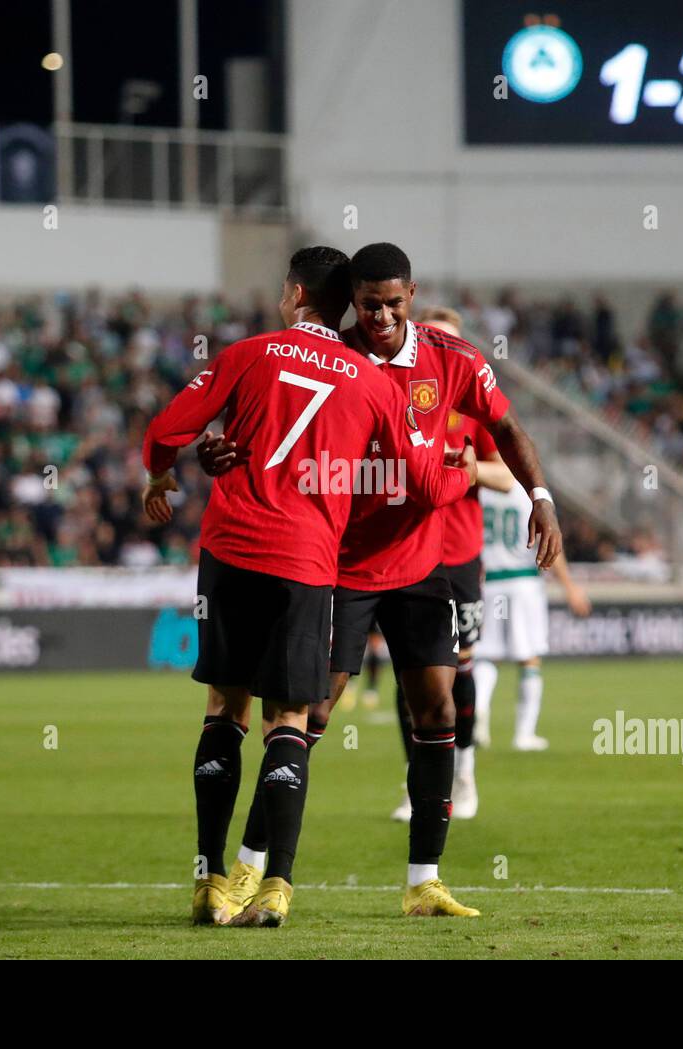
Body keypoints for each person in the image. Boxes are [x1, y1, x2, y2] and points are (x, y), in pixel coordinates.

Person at [207, 243, 562, 918]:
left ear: (411, 294)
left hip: (424, 566)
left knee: (439, 711)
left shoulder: (451, 360)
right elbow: (270, 440)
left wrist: (541, 498)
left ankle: (423, 880)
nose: (382, 316)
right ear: (353, 301)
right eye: (369, 304)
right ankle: (250, 868)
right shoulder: (327, 360)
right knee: (307, 717)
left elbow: (507, 427)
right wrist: (220, 454)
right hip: (340, 568)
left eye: (394, 303)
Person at [142, 246, 475, 927]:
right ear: (345, 302)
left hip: (231, 549)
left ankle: (210, 879)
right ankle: (276, 888)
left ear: (294, 293)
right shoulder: (373, 382)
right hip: (307, 562)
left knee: (223, 709)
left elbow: (165, 430)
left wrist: (161, 473)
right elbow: (424, 481)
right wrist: (461, 472)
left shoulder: (249, 354)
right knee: (289, 721)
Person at [389, 306, 515, 823]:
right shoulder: (396, 395)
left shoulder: (471, 406)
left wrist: (469, 471)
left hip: (458, 555)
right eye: (436, 341)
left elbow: (507, 476)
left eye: (456, 344)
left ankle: (463, 774)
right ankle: (417, 780)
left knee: (460, 665)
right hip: (403, 553)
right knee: (409, 676)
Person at [473, 483, 591, 750]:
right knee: (529, 659)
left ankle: (478, 711)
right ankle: (524, 734)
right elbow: (549, 541)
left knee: (486, 654)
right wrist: (570, 588)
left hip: (488, 582)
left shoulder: (481, 487)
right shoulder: (530, 491)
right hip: (522, 584)